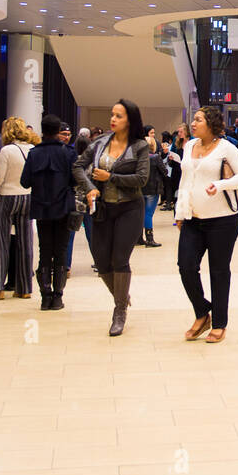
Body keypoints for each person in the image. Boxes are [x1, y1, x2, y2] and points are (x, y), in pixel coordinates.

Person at [176, 106, 238, 343]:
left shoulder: (227, 147)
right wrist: (181, 211)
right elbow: (185, 181)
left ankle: (219, 323)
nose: (193, 123)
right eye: (193, 120)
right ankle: (202, 311)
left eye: (198, 120)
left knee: (218, 272)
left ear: (211, 123)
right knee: (186, 266)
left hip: (222, 221)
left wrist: (220, 185)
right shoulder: (189, 146)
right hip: (193, 219)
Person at [76, 100, 150, 336]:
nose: (113, 119)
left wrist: (110, 176)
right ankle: (122, 295)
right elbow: (78, 166)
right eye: (112, 115)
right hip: (102, 209)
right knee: (101, 261)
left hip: (129, 208)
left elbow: (141, 180)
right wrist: (89, 186)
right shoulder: (99, 143)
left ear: (130, 120)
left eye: (119, 115)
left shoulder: (139, 146)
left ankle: (119, 311)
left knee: (120, 259)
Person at [19, 115, 76, 311]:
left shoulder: (34, 154)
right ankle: (58, 296)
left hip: (41, 208)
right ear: (58, 130)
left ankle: (45, 297)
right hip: (63, 208)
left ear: (42, 131)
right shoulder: (68, 153)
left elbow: (24, 182)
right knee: (60, 251)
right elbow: (76, 180)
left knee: (45, 250)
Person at [0, 117, 35, 300]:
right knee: (25, 242)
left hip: (7, 197)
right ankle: (25, 288)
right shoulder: (32, 150)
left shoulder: (6, 150)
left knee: (1, 241)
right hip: (27, 197)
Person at [141, 125, 165, 248]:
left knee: (141, 213)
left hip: (141, 188)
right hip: (153, 188)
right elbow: (164, 171)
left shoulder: (139, 158)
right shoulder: (156, 157)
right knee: (149, 214)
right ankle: (150, 238)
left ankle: (139, 238)